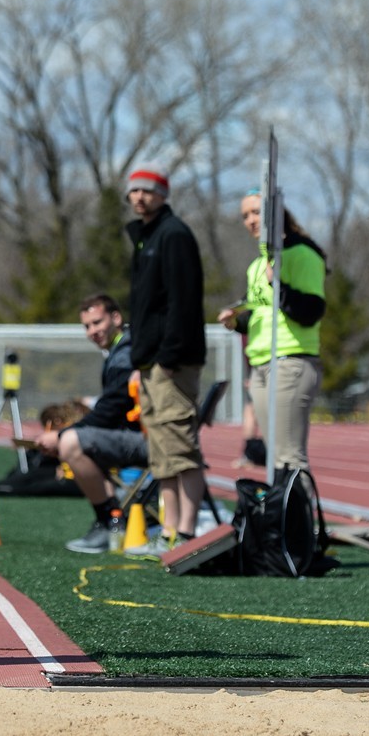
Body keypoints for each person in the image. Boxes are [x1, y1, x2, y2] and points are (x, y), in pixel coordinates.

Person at [124, 163, 208, 557]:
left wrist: (170, 355)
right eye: (134, 190)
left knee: (180, 445)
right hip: (150, 362)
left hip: (170, 362)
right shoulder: (147, 237)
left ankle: (187, 532)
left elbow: (183, 300)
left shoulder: (173, 235)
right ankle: (170, 529)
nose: (139, 197)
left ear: (163, 195)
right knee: (161, 451)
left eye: (148, 190)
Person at [217, 191, 327, 480]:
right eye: (245, 215)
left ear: (275, 213)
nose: (251, 220)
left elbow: (312, 310)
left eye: (257, 212)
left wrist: (279, 284)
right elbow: (261, 315)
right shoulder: (256, 266)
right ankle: (285, 508)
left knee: (289, 456)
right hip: (261, 364)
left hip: (291, 361)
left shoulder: (303, 253)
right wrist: (236, 322)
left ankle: (301, 510)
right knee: (275, 456)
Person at [32, 295, 149, 553]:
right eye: (87, 326)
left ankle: (108, 523)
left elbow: (110, 410)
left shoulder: (126, 353)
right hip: (138, 436)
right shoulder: (120, 350)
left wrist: (62, 435)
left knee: (72, 443)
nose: (92, 331)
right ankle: (113, 519)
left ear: (116, 318)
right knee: (78, 440)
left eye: (97, 322)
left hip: (151, 441)